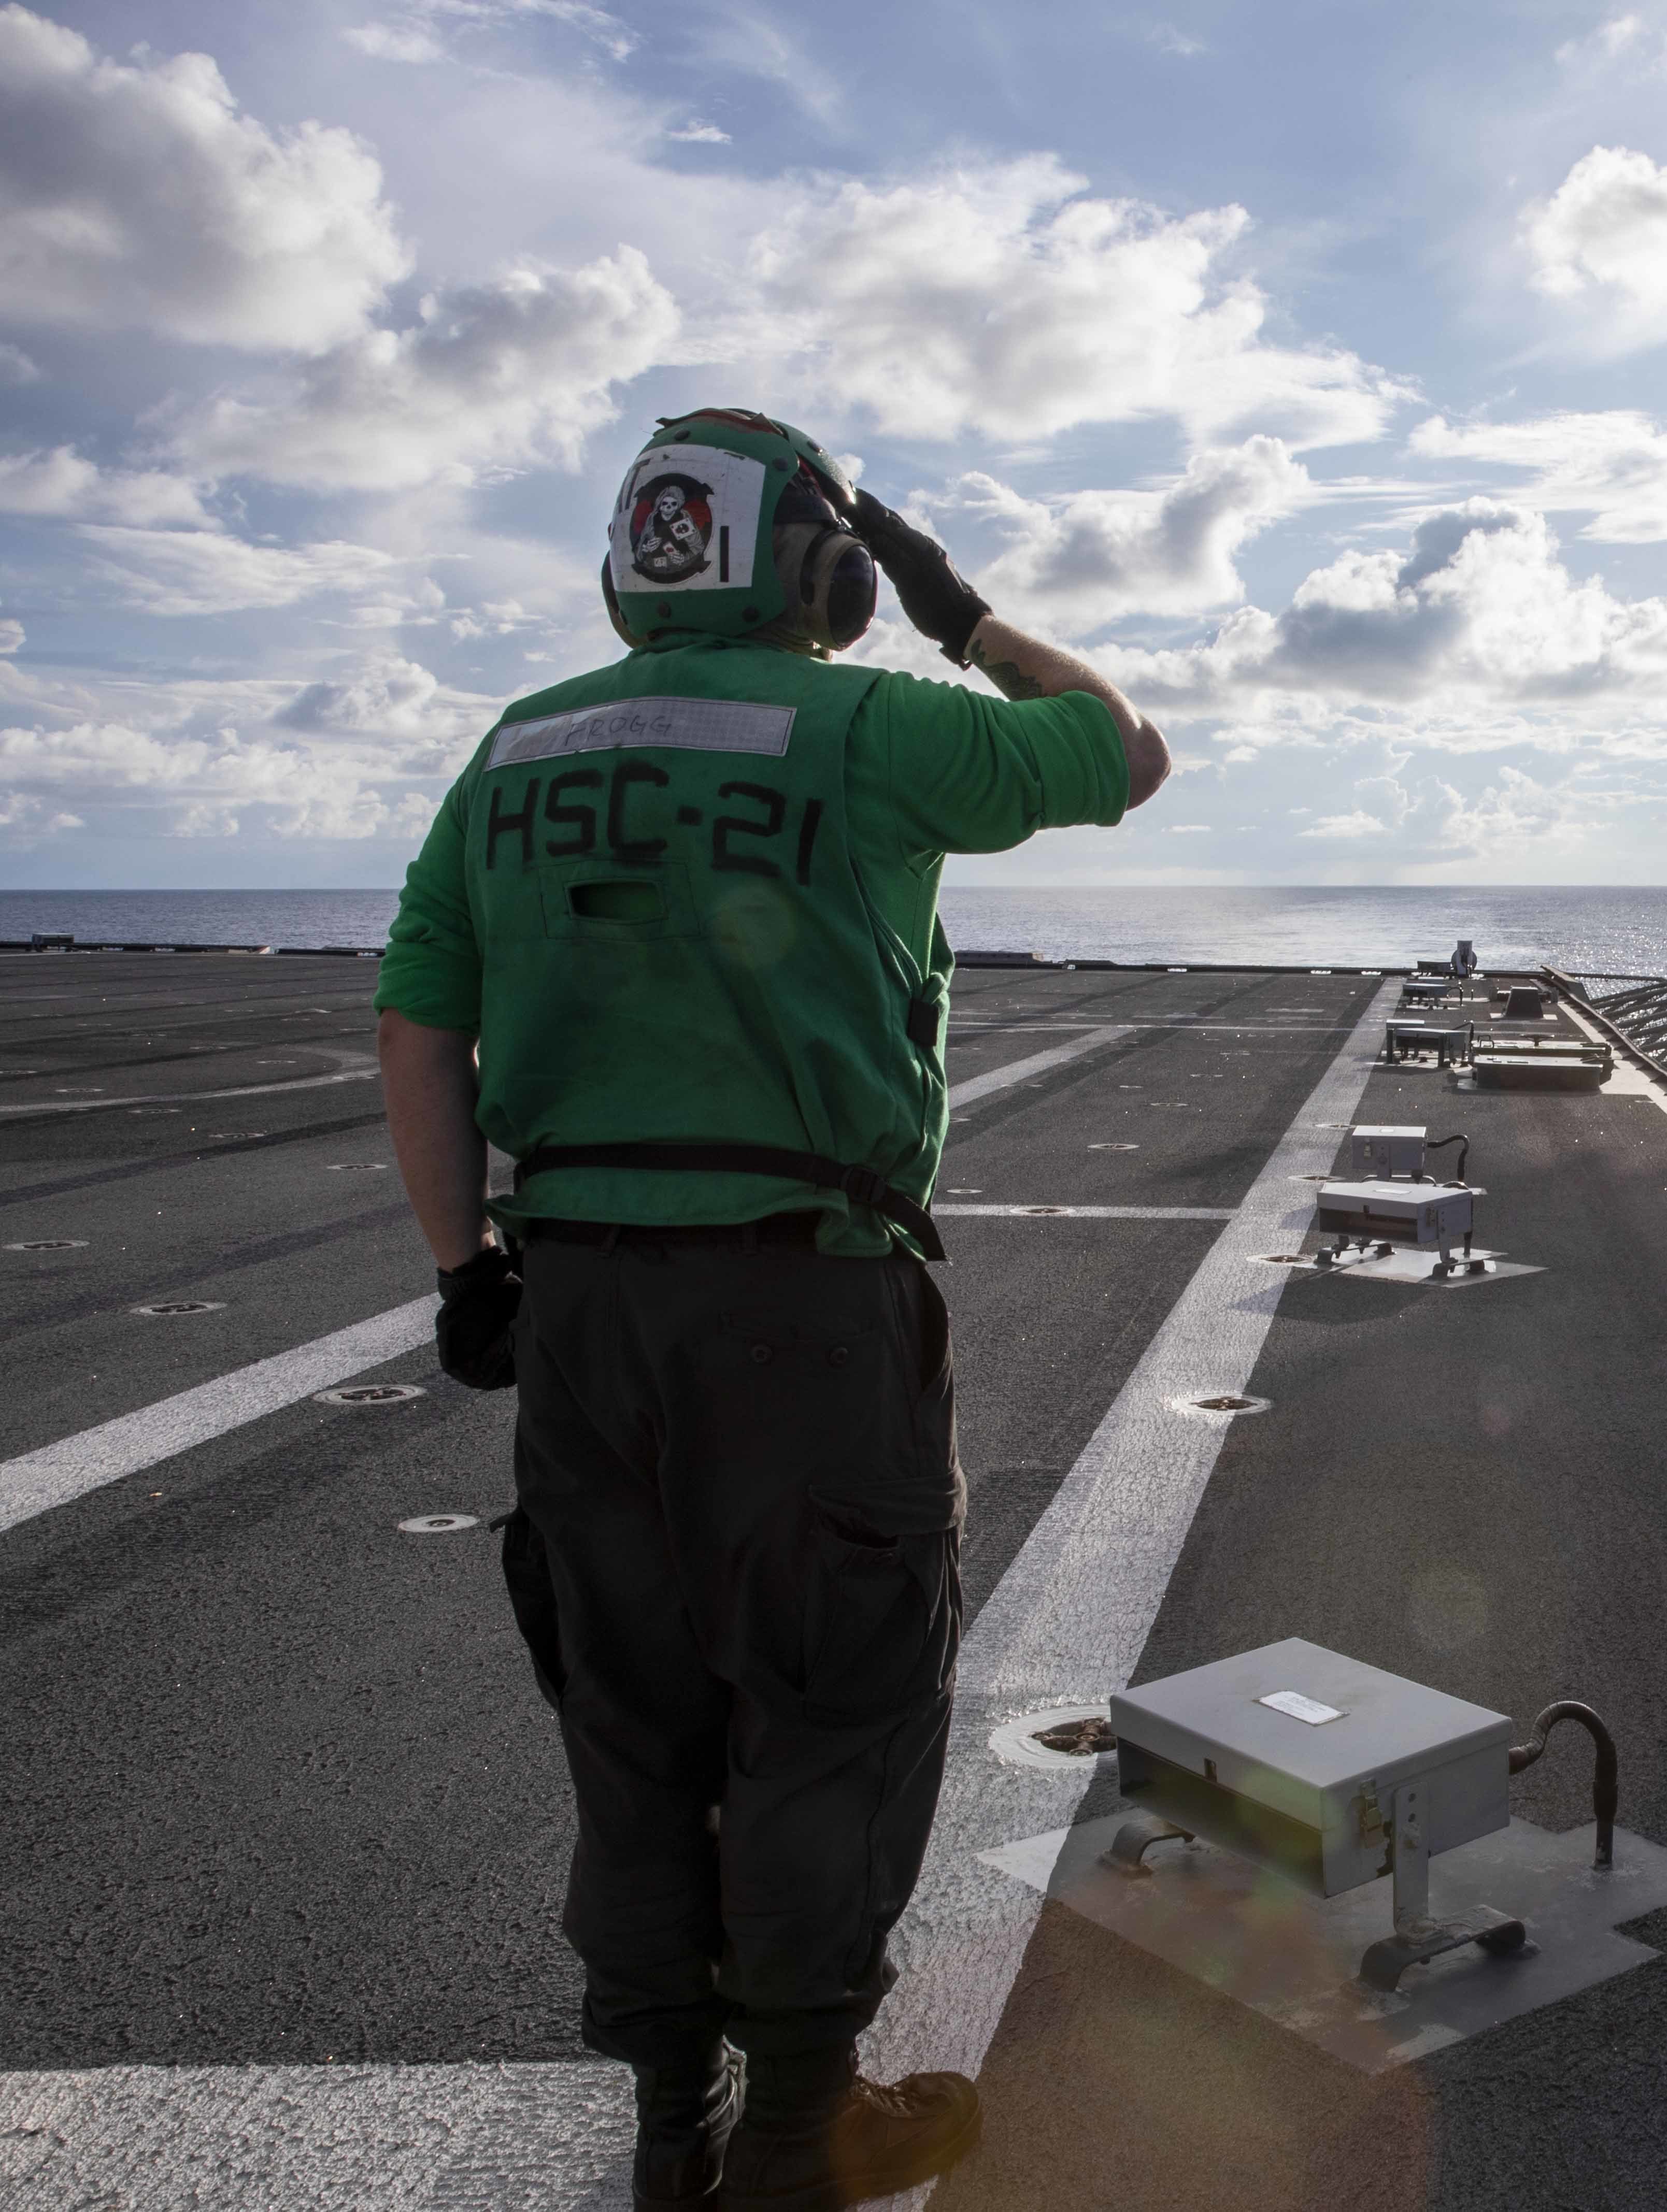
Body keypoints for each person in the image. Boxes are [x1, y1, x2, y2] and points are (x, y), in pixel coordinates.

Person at [372, 406, 1169, 2212]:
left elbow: (421, 1019)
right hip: (807, 1304)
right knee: (833, 1700)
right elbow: (1121, 755)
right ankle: (805, 2130)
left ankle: (672, 2129)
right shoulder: (868, 723)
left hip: (578, 1304)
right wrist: (958, 612)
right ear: (819, 567)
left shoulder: (514, 750)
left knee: (629, 1704)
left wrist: (462, 1274)